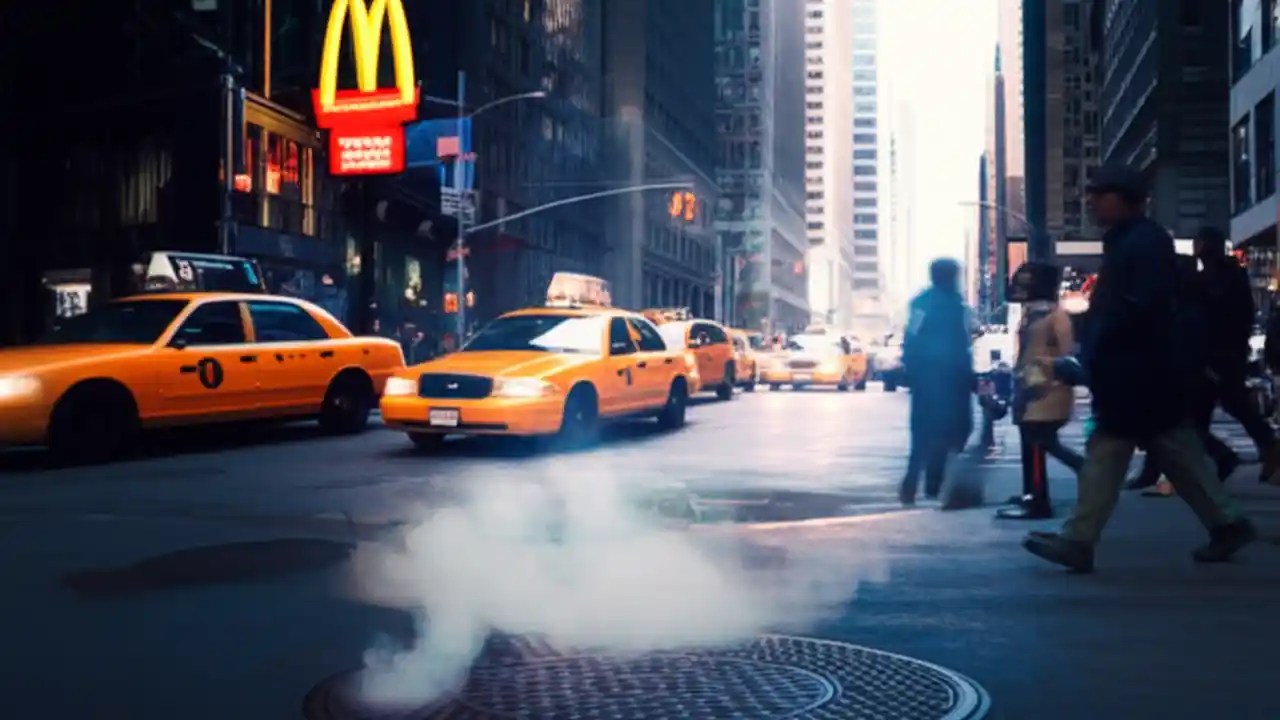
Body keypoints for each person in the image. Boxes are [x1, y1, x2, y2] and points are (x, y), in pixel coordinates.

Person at [1022, 164, 1255, 573]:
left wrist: (1099, 351)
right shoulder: (1132, 241)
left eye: (1101, 193)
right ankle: (1227, 522)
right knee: (1173, 451)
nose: (1091, 200)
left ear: (1126, 199)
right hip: (1140, 371)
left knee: (1113, 450)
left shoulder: (1143, 243)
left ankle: (1079, 540)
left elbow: (1139, 309)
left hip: (1137, 372)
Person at [998, 262, 1083, 520]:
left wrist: (1042, 371)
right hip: (1030, 388)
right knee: (1033, 441)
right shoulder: (1032, 314)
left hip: (1047, 389)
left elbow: (1066, 354)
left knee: (1039, 441)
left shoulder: (1055, 316)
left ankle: (1039, 499)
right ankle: (1031, 494)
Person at [899, 258, 975, 506]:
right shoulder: (959, 306)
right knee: (951, 431)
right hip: (953, 380)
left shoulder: (920, 304)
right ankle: (933, 484)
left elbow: (911, 338)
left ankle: (911, 485)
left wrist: (911, 371)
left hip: (926, 380)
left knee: (921, 433)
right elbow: (965, 343)